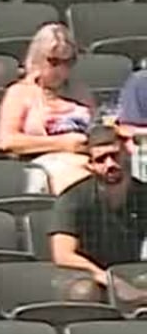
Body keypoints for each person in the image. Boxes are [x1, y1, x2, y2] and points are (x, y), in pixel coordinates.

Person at [0, 22, 102, 193]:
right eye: (54, 61)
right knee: (80, 181)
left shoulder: (81, 92)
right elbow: (7, 141)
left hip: (88, 161)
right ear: (37, 58)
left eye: (68, 62)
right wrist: (62, 144)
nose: (61, 69)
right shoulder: (20, 92)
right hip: (46, 163)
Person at [50, 124, 147, 298]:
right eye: (101, 159)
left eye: (115, 155)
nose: (110, 164)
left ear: (127, 153)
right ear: (91, 165)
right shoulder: (73, 199)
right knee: (84, 292)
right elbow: (63, 254)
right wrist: (110, 281)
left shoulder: (143, 195)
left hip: (131, 272)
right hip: (86, 274)